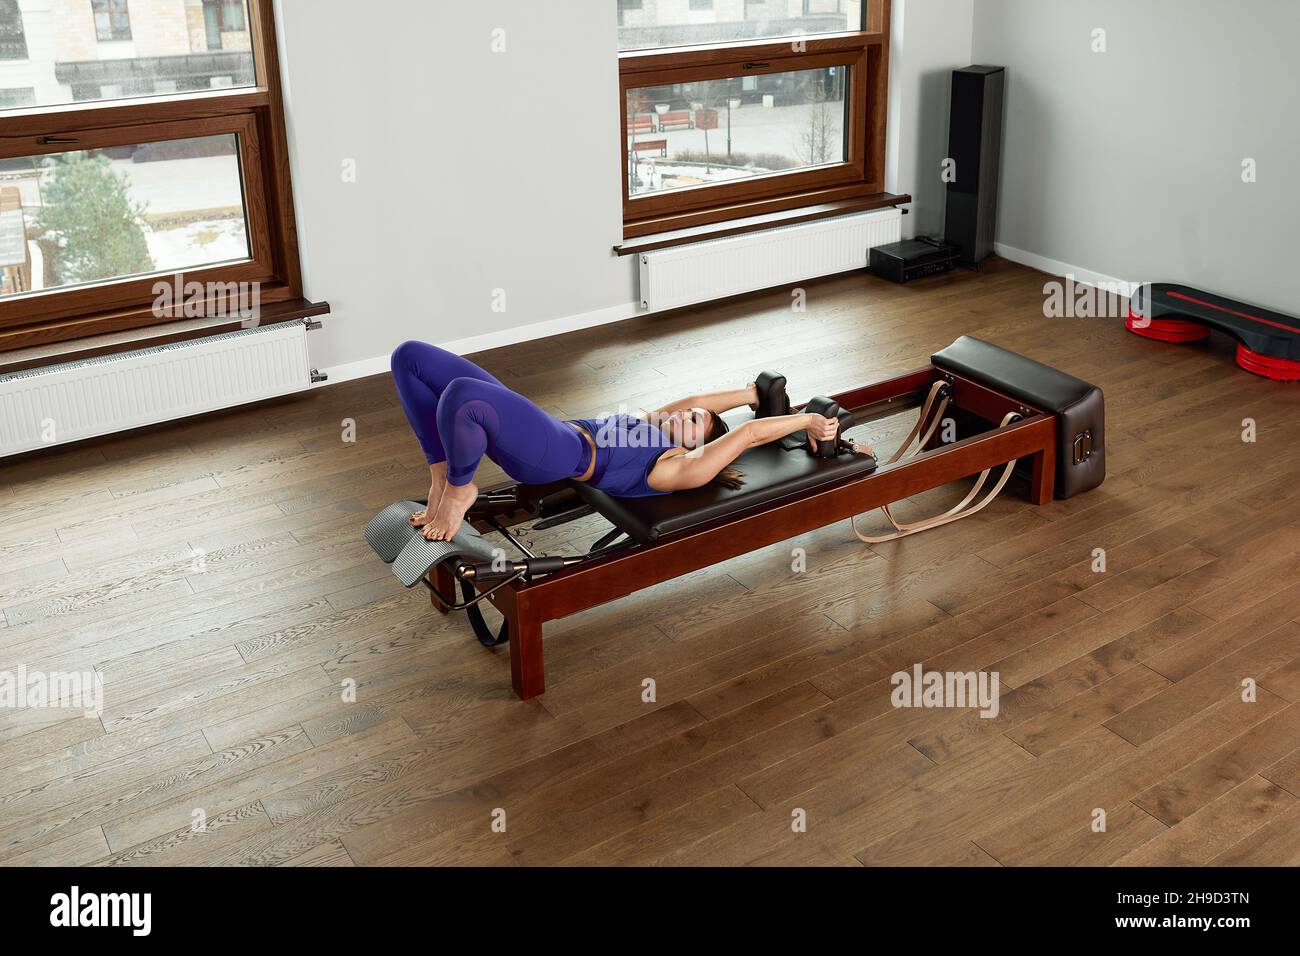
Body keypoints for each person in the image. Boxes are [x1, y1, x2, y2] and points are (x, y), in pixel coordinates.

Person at [390, 341, 857, 541]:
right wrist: (752, 393)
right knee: (409, 358)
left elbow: (749, 433)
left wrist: (809, 422)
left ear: (697, 446)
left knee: (463, 397)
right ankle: (441, 480)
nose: (688, 412)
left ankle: (458, 489)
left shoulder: (674, 466)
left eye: (696, 421)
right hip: (550, 427)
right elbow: (698, 399)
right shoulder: (653, 423)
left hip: (554, 454)